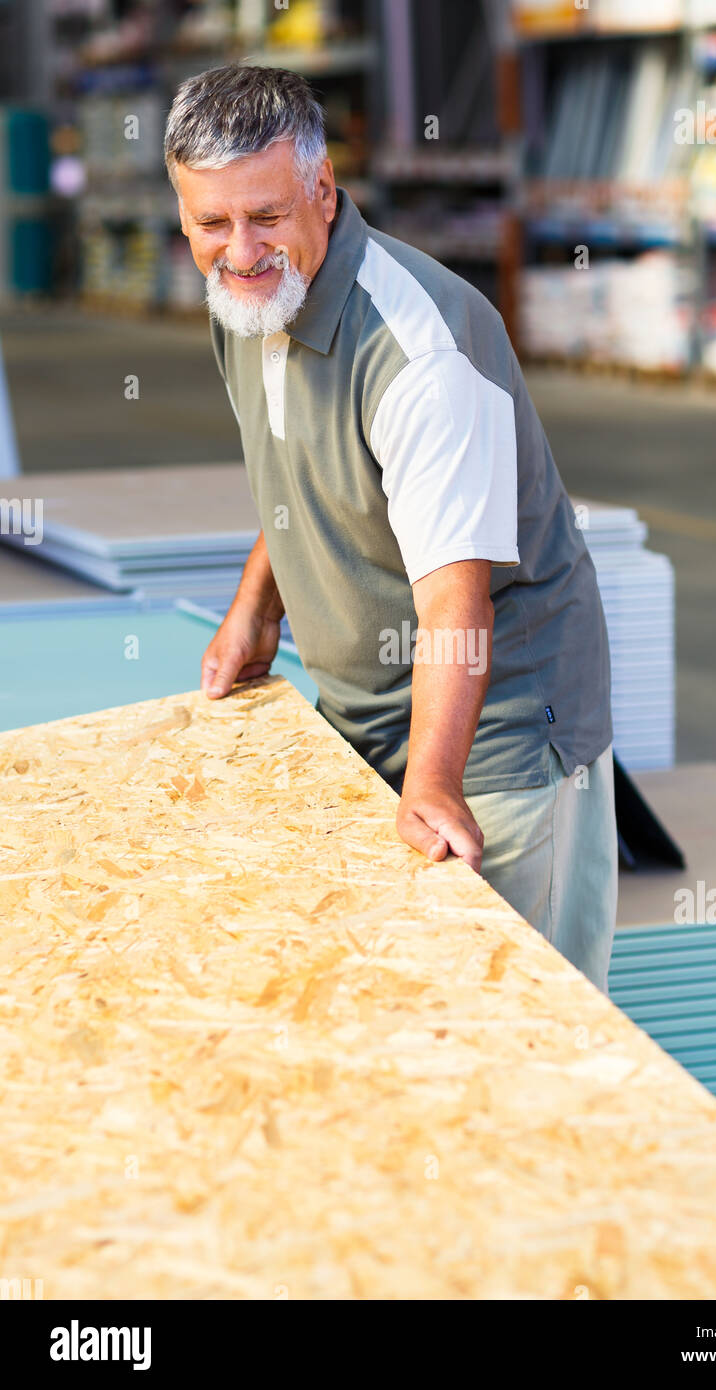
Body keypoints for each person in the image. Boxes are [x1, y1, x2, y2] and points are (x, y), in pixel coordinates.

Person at [164, 63, 618, 992]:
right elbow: (301, 471)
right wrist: (257, 605)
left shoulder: (421, 354)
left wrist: (435, 780)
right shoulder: (249, 303)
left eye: (266, 217)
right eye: (212, 222)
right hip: (361, 717)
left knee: (526, 1032)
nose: (241, 249)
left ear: (323, 192)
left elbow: (458, 605)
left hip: (490, 734)